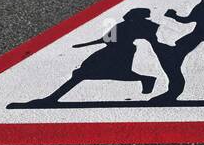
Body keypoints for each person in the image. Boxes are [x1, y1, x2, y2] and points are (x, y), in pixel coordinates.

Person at [29, 8, 161, 104]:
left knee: (85, 73)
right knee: (88, 73)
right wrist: (85, 44)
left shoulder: (141, 26)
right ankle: (145, 79)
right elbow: (105, 39)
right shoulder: (130, 25)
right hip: (114, 51)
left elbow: (153, 39)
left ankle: (52, 99)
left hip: (119, 52)